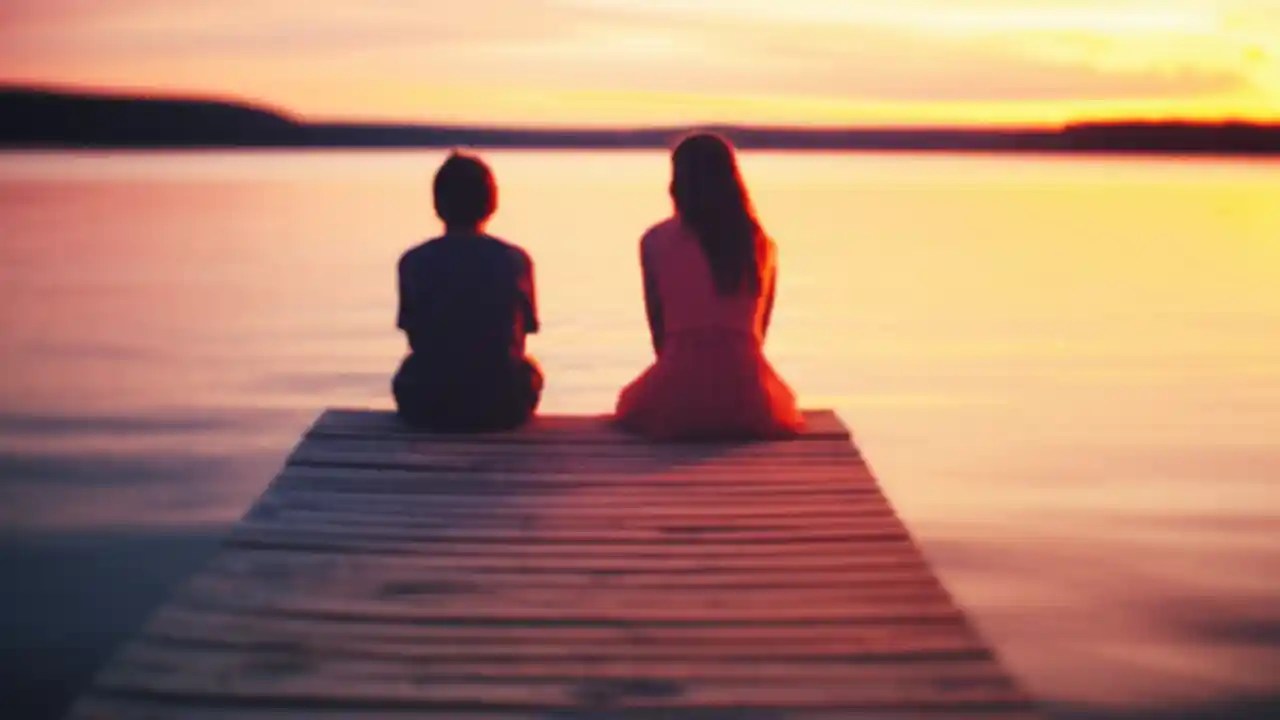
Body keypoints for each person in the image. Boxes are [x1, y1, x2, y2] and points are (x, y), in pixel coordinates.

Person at [615, 133, 803, 440]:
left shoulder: (654, 240)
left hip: (677, 394)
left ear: (677, 182)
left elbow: (658, 330)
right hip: (748, 398)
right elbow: (759, 333)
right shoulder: (759, 242)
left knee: (629, 404)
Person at [392, 152, 542, 431]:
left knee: (409, 370)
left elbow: (415, 336)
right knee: (530, 370)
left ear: (437, 205)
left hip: (428, 406)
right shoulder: (515, 260)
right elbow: (522, 336)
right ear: (491, 204)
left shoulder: (413, 262)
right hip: (503, 406)